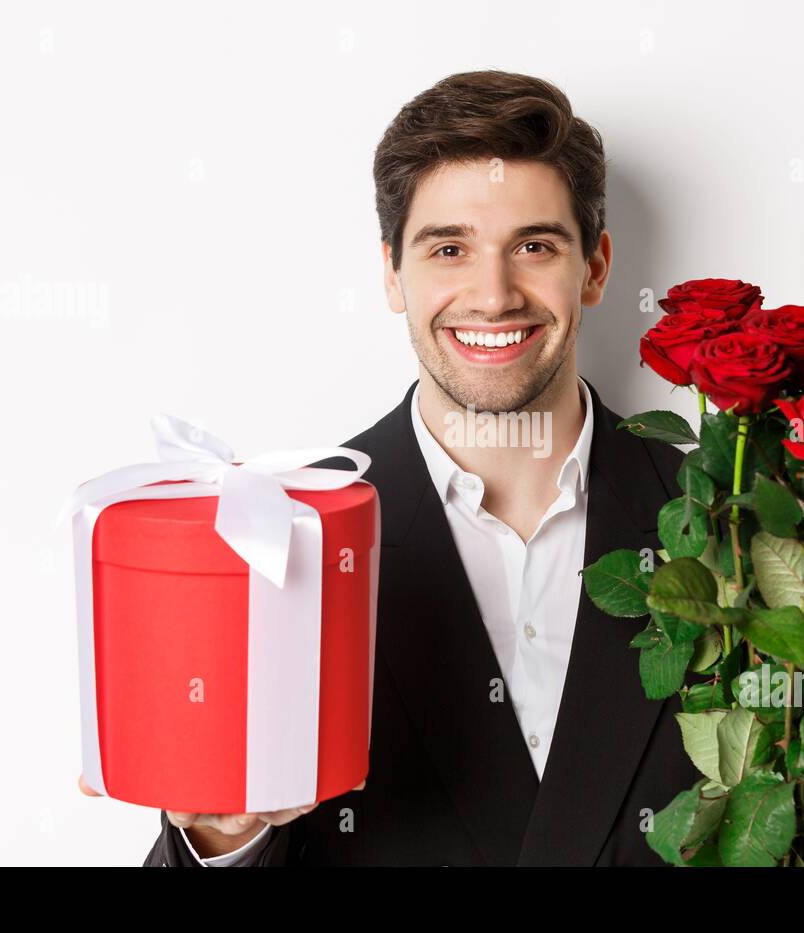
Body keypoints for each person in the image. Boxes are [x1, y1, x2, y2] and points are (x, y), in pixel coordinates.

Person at [82, 69, 697, 865]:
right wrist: (219, 836)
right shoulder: (284, 537)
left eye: (534, 247)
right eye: (449, 249)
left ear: (596, 267)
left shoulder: (722, 516)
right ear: (390, 274)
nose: (493, 294)